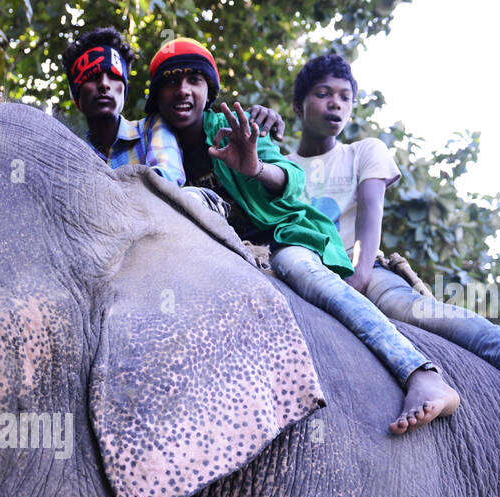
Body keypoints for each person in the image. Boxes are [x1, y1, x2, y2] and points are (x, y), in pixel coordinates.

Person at [143, 38, 460, 436]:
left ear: (209, 90)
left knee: (307, 275)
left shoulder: (230, 127)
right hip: (220, 253)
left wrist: (255, 165)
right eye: (171, 81)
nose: (183, 89)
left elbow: (291, 179)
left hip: (278, 239)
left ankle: (420, 372)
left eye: (194, 79)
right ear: (157, 94)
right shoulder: (150, 144)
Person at [286, 53, 500, 457]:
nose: (335, 104)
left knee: (415, 310)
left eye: (345, 97)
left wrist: (361, 271)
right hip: (308, 274)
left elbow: (369, 216)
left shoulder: (364, 151)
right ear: (298, 105)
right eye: (323, 94)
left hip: (361, 268)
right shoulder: (283, 165)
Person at [60, 27, 183, 182]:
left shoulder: (152, 128)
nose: (104, 84)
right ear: (76, 96)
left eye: (113, 76)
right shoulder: (71, 155)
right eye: (92, 77)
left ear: (124, 88)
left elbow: (165, 185)